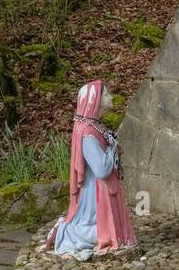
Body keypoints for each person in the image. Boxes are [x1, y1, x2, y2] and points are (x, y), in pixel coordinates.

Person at [46, 80, 136, 258]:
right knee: (104, 232)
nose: (111, 96)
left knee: (112, 230)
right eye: (106, 94)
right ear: (95, 100)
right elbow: (101, 170)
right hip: (95, 192)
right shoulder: (88, 133)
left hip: (101, 189)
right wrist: (112, 148)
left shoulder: (94, 127)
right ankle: (66, 232)